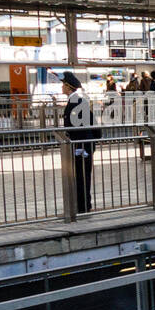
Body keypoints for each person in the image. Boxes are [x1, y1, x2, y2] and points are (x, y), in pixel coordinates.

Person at [61, 71, 100, 213]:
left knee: (82, 177)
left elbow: (81, 127)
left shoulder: (75, 102)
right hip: (84, 145)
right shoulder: (77, 101)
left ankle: (83, 206)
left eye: (63, 85)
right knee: (82, 176)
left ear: (68, 87)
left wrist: (84, 146)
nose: (62, 88)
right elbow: (94, 125)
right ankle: (82, 205)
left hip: (81, 146)